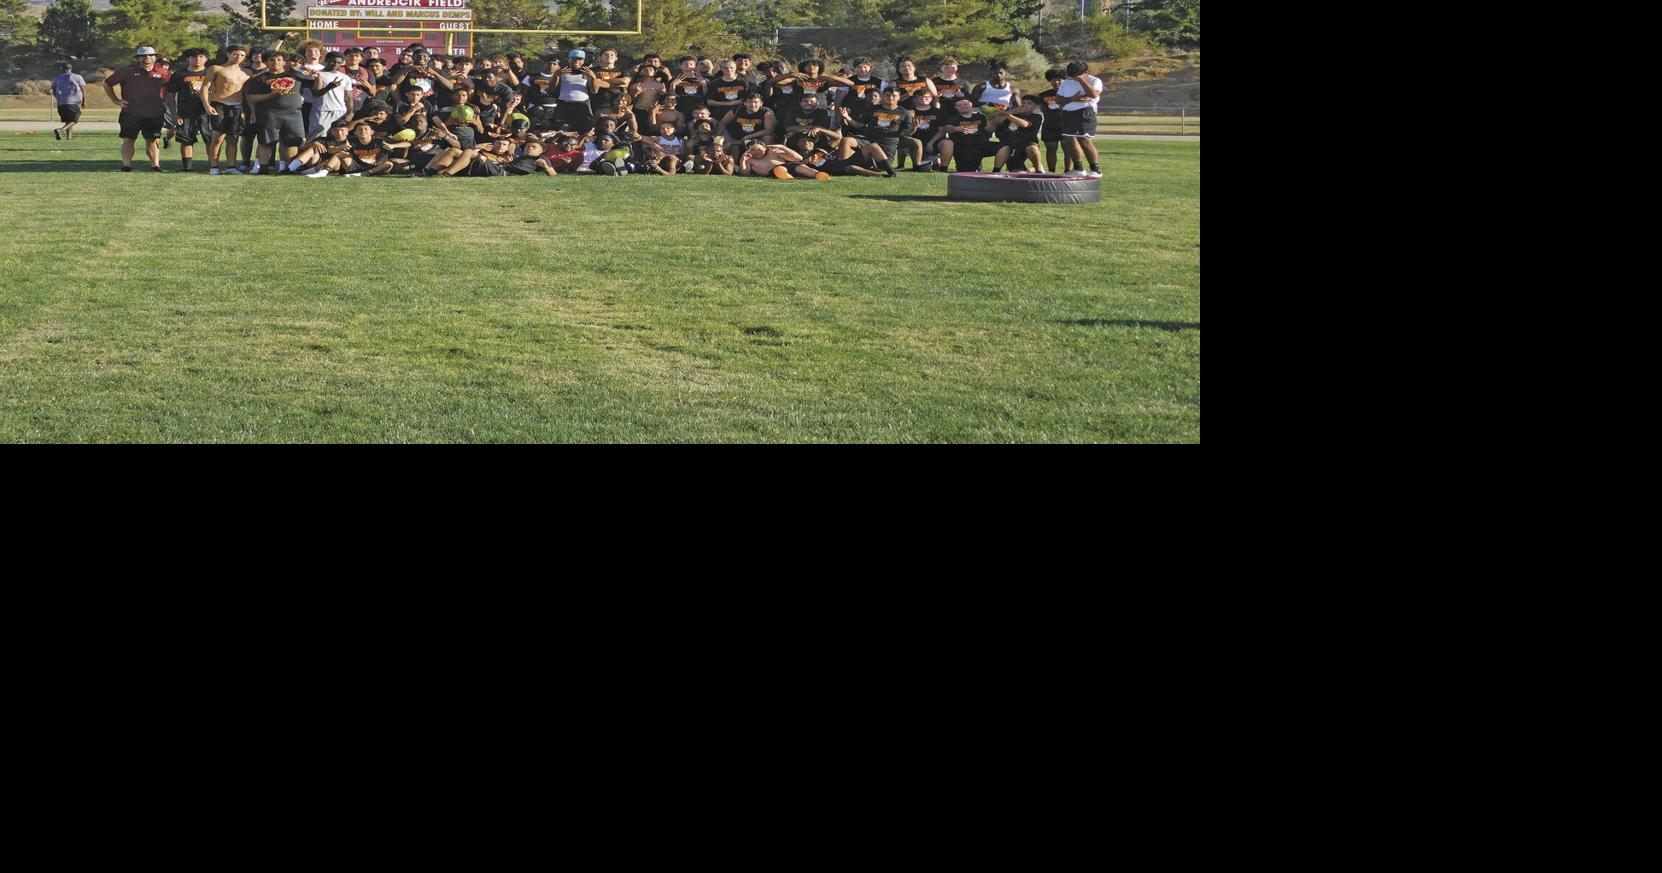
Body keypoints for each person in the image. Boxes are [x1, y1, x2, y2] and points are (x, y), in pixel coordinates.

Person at [244, 51, 318, 174]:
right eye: (272, 60)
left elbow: (315, 86)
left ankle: (287, 168)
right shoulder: (260, 78)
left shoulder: (295, 75)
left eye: (279, 60)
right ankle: (263, 167)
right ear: (266, 62)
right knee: (266, 142)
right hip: (270, 114)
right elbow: (251, 98)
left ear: (284, 62)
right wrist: (271, 94)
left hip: (294, 114)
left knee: (292, 142)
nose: (275, 62)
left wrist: (316, 77)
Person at [104, 46, 171, 172]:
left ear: (155, 57)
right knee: (129, 139)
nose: (147, 58)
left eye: (150, 55)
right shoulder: (127, 71)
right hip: (131, 112)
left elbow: (169, 90)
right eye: (143, 56)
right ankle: (127, 165)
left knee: (152, 140)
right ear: (138, 58)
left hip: (154, 113)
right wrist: (115, 100)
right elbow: (107, 83)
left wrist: (166, 102)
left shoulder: (163, 72)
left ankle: (155, 165)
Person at [164, 48, 213, 171]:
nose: (197, 59)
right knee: (186, 140)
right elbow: (170, 95)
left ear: (206, 59)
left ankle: (213, 165)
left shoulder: (211, 73)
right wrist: (174, 114)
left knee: (210, 139)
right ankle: (187, 167)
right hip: (186, 112)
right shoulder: (180, 74)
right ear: (188, 58)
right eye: (194, 57)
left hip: (206, 112)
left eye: (201, 57)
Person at [1056, 60, 1103, 177]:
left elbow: (1093, 94)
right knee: (1070, 140)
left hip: (1085, 112)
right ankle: (1078, 169)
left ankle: (1095, 170)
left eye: (1075, 73)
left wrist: (1080, 79)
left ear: (1086, 71)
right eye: (1071, 73)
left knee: (1084, 140)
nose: (1072, 76)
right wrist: (1072, 99)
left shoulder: (1094, 80)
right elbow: (1058, 100)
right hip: (1068, 113)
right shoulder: (1066, 82)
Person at [928, 98, 994, 172]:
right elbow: (947, 128)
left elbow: (989, 128)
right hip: (962, 147)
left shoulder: (981, 117)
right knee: (965, 170)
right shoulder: (953, 118)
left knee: (1003, 147)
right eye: (959, 105)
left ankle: (996, 170)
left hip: (980, 144)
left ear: (971, 104)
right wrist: (956, 129)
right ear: (956, 108)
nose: (963, 106)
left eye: (965, 104)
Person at [306, 53, 354, 141]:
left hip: (340, 112)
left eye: (338, 62)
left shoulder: (345, 78)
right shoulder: (317, 74)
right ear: (326, 60)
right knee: (317, 138)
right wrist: (329, 87)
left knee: (338, 138)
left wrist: (350, 112)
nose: (335, 64)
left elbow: (348, 97)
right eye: (332, 61)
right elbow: (316, 94)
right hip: (322, 111)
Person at [1036, 69, 1075, 173]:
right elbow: (1043, 109)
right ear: (1050, 80)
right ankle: (1051, 172)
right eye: (1053, 80)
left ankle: (1068, 172)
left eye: (1059, 80)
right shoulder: (1044, 95)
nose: (1056, 82)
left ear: (1064, 80)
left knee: (1068, 149)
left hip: (1066, 124)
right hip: (1049, 125)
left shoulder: (1070, 93)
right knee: (1051, 148)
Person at [990, 95, 1043, 172]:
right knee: (1018, 172)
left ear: (1035, 106)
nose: (1025, 105)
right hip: (1011, 144)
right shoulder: (1012, 114)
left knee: (1032, 148)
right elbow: (997, 122)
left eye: (1029, 104)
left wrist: (1008, 115)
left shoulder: (1036, 117)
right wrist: (1012, 111)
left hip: (1026, 143)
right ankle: (995, 171)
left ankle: (1038, 170)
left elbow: (1025, 124)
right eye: (1023, 103)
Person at [718, 92, 775, 156]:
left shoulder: (767, 113)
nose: (753, 105)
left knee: (768, 138)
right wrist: (717, 138)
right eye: (750, 102)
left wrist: (748, 137)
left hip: (757, 139)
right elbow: (723, 123)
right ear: (745, 103)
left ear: (761, 103)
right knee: (726, 144)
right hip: (736, 137)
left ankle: (768, 158)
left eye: (756, 102)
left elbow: (768, 131)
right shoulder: (736, 110)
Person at [52, 63, 87, 142]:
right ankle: (61, 130)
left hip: (61, 103)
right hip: (73, 102)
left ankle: (69, 138)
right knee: (74, 120)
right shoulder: (78, 77)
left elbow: (54, 90)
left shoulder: (57, 78)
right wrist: (84, 101)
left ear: (62, 69)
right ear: (71, 68)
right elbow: (83, 89)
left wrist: (58, 98)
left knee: (69, 120)